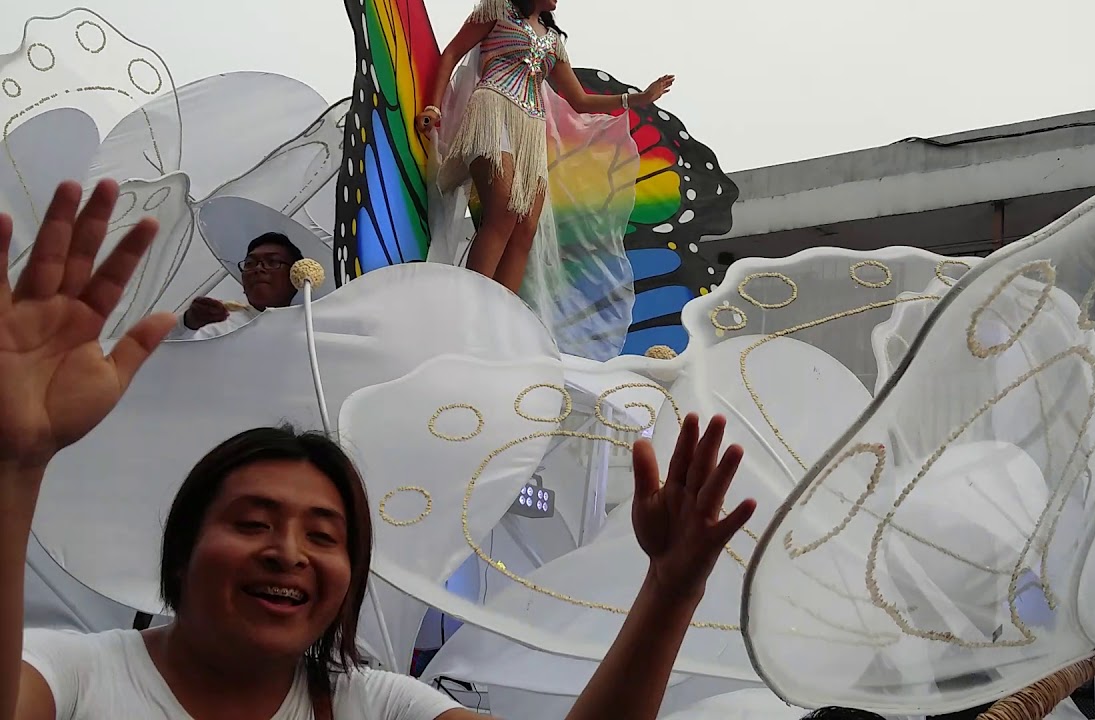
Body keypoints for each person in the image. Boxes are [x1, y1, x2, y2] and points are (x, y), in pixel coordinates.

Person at [0, 179, 757, 719]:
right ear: (181, 546)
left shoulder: (371, 702)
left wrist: (668, 591)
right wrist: (16, 466)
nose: (289, 552)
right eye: (253, 522)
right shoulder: (76, 676)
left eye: (324, 535)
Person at [417, 0, 673, 296]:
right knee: (504, 208)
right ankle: (472, 302)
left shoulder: (553, 41)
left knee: (526, 228)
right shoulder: (497, 10)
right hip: (492, 109)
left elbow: (580, 100)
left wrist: (636, 99)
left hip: (531, 129)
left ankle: (503, 315)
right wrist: (434, 106)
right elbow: (452, 53)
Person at [169, 232, 305, 341]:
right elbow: (164, 350)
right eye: (250, 263)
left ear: (295, 277)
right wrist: (189, 322)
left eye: (273, 262)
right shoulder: (218, 325)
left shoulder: (310, 331)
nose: (258, 269)